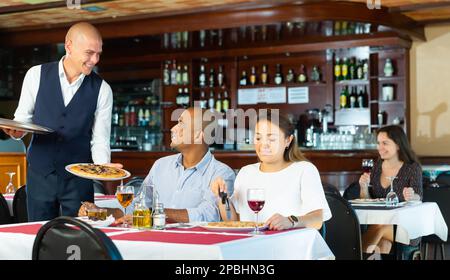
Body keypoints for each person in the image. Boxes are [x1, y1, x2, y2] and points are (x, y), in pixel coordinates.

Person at [2, 22, 120, 221]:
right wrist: (16, 132)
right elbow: (22, 120)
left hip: (79, 179)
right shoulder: (35, 75)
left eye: (98, 54)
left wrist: (103, 167)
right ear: (69, 46)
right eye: (89, 53)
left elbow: (100, 139)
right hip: (40, 173)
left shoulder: (103, 89)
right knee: (39, 234)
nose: (95, 60)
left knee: (79, 235)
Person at [79, 107, 236, 223]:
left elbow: (208, 215)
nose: (173, 128)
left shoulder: (222, 173)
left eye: (181, 123)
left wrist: (152, 215)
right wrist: (98, 212)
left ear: (197, 135)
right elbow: (135, 208)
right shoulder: (161, 165)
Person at [210, 110, 331, 231]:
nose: (263, 145)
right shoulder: (246, 173)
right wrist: (222, 197)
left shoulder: (304, 170)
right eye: (258, 138)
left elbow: (317, 219)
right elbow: (233, 221)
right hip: (251, 245)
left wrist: (290, 221)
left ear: (288, 140)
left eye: (271, 139)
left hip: (291, 245)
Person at [359, 125, 422, 254]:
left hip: (405, 226)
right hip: (380, 222)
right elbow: (367, 200)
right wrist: (363, 187)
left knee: (381, 226)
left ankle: (357, 254)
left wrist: (411, 195)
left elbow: (418, 196)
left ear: (398, 145)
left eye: (385, 143)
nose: (379, 147)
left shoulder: (411, 168)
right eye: (378, 143)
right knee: (383, 241)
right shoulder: (376, 167)